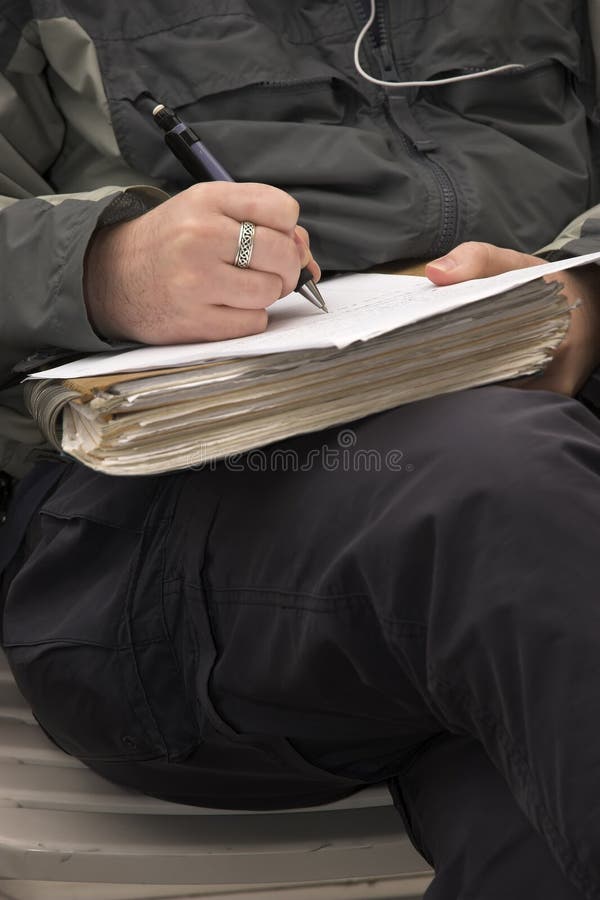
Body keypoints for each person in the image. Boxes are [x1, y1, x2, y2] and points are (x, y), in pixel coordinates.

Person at [1, 2, 600, 897]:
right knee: (504, 498)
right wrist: (100, 266)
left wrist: (579, 295)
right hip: (160, 527)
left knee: (532, 801)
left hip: (548, 493)